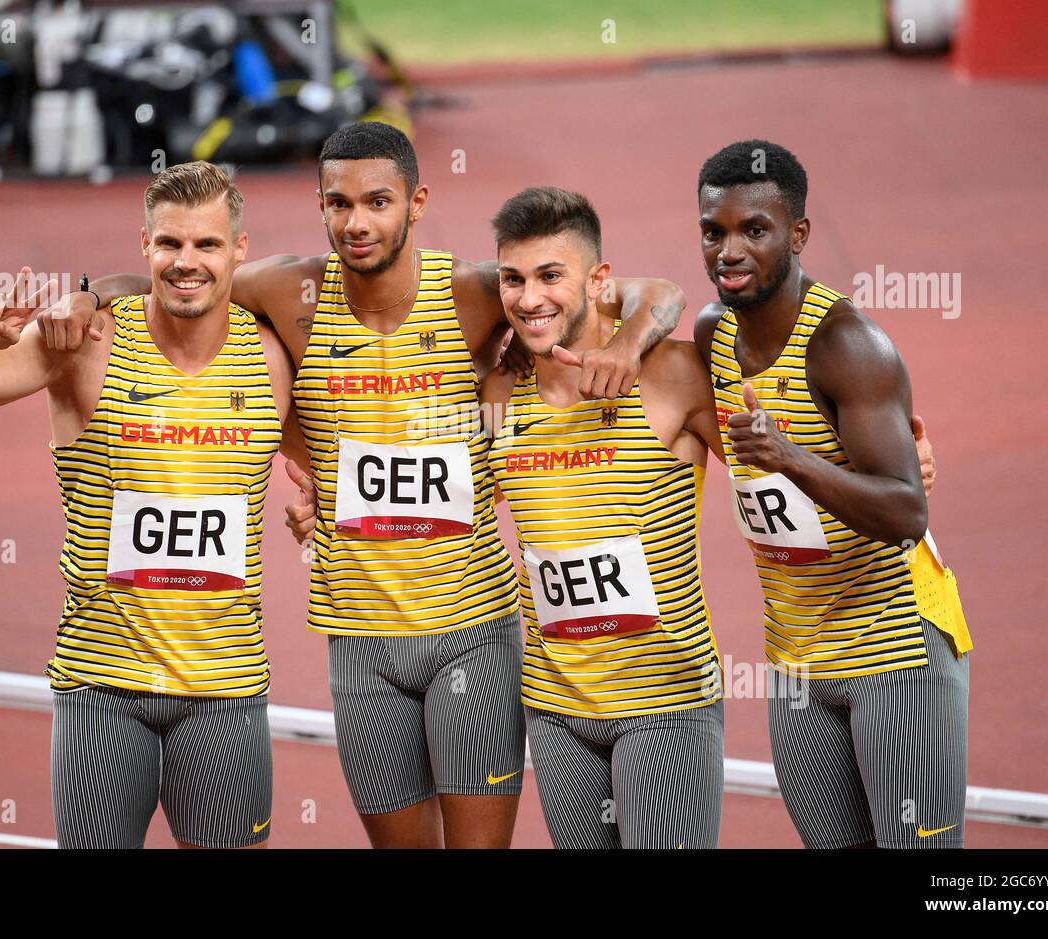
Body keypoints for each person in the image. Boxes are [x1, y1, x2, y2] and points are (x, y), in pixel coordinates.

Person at [43, 123, 686, 849]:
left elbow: (654, 291)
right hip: (358, 637)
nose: (356, 222)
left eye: (377, 201)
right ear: (320, 206)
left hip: (470, 629)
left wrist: (630, 344)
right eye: (339, 203)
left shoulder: (475, 293)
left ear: (416, 203)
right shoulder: (291, 290)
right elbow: (183, 281)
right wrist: (87, 295)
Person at [0, 161, 293, 848]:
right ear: (144, 245)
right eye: (170, 244)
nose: (186, 262)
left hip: (226, 684)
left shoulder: (270, 358)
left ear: (239, 250)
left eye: (206, 244)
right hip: (101, 686)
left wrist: (320, 488)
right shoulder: (86, 345)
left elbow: (349, 434)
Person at [693, 139, 972, 849]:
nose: (729, 250)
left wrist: (789, 457)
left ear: (799, 234)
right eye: (713, 231)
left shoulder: (846, 346)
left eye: (754, 230)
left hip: (895, 649)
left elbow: (908, 511)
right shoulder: (711, 335)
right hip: (794, 663)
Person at [481, 187, 726, 848]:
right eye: (514, 278)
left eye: (550, 276)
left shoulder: (673, 375)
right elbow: (446, 494)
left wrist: (904, 461)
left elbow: (776, 475)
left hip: (665, 702)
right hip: (556, 708)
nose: (529, 298)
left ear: (599, 281)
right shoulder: (500, 394)